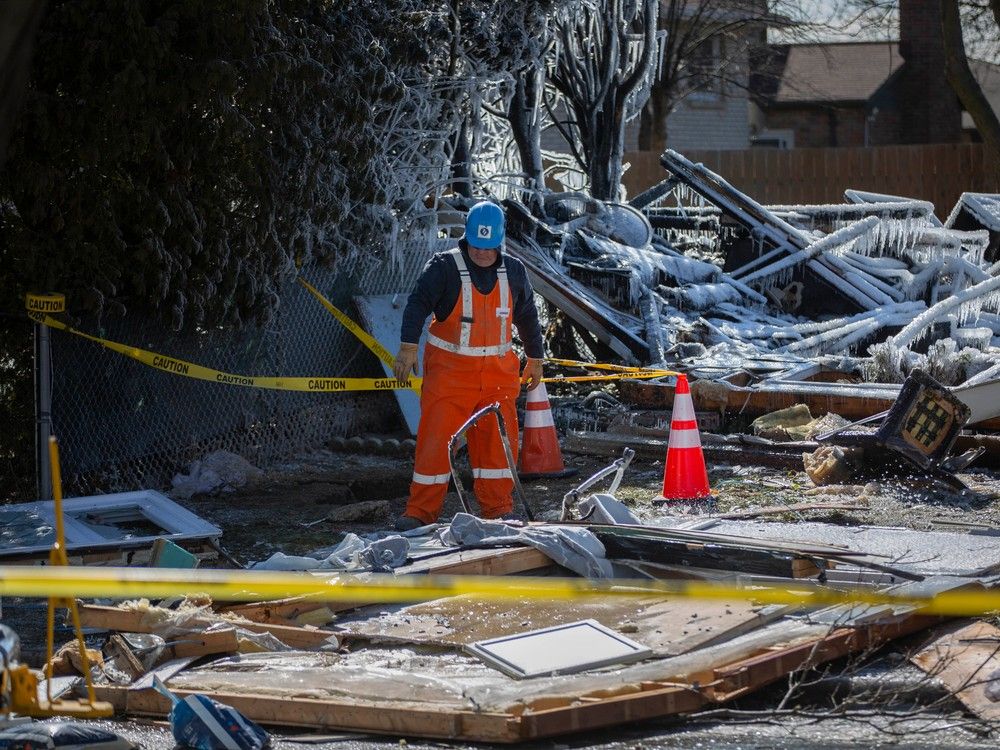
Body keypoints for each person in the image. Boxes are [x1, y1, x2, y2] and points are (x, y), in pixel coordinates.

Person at [391, 200, 544, 531]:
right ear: (466, 239)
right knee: (435, 443)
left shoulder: (514, 272)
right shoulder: (444, 267)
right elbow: (417, 304)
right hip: (449, 375)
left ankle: (498, 509)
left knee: (497, 447)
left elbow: (528, 316)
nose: (482, 254)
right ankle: (420, 513)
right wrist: (406, 347)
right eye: (477, 246)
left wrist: (535, 357)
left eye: (489, 248)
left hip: (499, 379)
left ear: (500, 243)